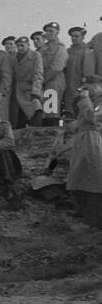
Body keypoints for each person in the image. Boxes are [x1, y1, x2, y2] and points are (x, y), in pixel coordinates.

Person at [66, 82, 102, 227]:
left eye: (89, 86)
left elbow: (94, 118)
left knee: (92, 182)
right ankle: (83, 213)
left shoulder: (99, 102)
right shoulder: (92, 102)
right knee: (78, 181)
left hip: (93, 144)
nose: (85, 90)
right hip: (83, 144)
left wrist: (84, 99)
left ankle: (93, 221)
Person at [12, 35, 44, 128]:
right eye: (18, 46)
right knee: (19, 118)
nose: (20, 48)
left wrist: (36, 92)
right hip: (19, 91)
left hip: (30, 90)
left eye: (22, 45)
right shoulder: (14, 58)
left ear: (28, 45)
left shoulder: (35, 56)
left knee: (36, 111)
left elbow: (38, 74)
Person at [40, 22, 69, 118]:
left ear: (57, 32)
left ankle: (52, 131)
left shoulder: (60, 48)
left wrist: (42, 80)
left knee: (51, 111)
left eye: (51, 31)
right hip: (44, 81)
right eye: (47, 31)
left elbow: (56, 68)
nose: (48, 33)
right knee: (45, 111)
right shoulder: (43, 48)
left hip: (54, 81)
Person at [64, 26, 93, 118]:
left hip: (79, 89)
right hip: (67, 88)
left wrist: (83, 88)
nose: (73, 38)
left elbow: (88, 74)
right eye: (72, 36)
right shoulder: (67, 51)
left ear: (83, 37)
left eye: (76, 36)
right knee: (68, 113)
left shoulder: (86, 51)